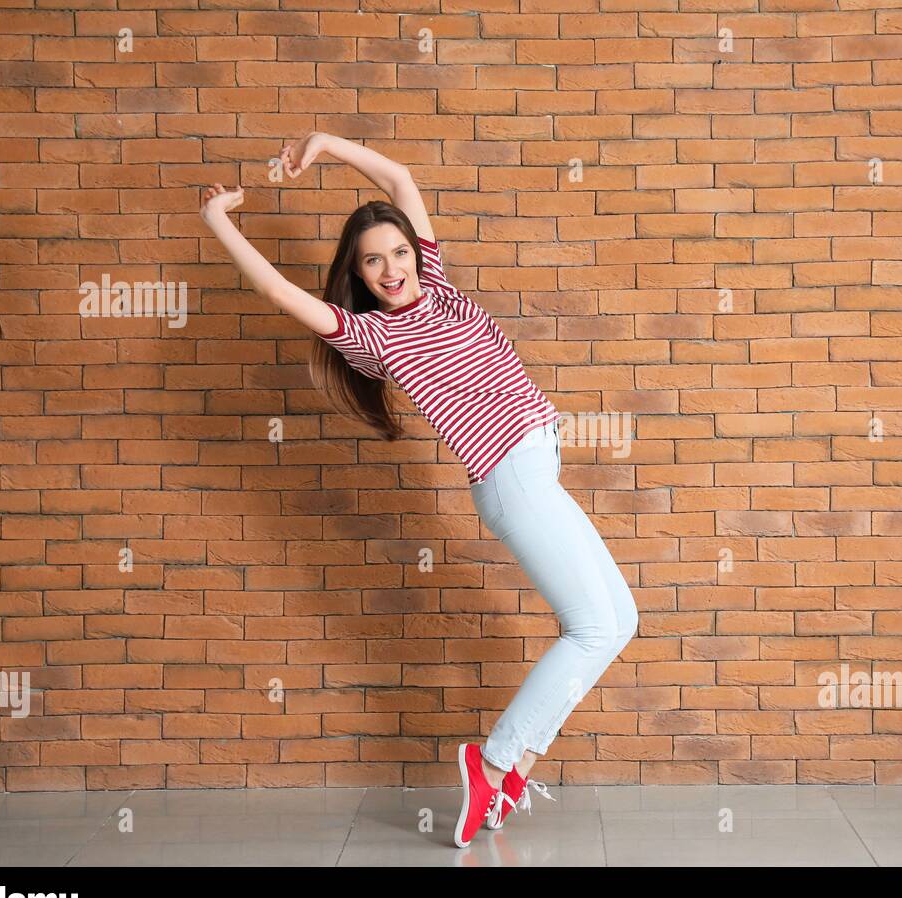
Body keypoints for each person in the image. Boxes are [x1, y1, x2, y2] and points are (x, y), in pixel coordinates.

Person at [199, 133, 639, 848]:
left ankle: (510, 776)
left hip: (537, 464)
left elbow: (401, 179)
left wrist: (326, 145)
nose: (391, 268)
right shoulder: (370, 336)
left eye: (398, 252)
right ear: (361, 275)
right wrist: (219, 219)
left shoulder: (435, 283)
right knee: (591, 628)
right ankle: (489, 761)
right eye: (374, 261)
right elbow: (279, 292)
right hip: (510, 475)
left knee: (617, 620)